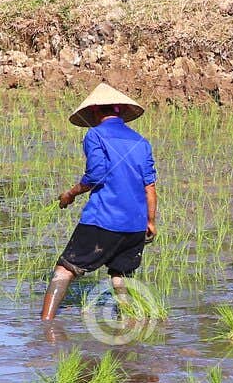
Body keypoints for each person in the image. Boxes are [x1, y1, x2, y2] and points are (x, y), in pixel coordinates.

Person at [42, 83, 158, 322]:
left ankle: (45, 325)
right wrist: (151, 221)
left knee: (65, 268)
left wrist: (70, 194)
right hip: (135, 225)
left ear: (95, 111)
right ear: (121, 111)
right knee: (120, 274)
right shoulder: (141, 142)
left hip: (104, 219)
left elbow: (96, 174)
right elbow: (150, 187)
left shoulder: (94, 135)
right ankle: (129, 321)